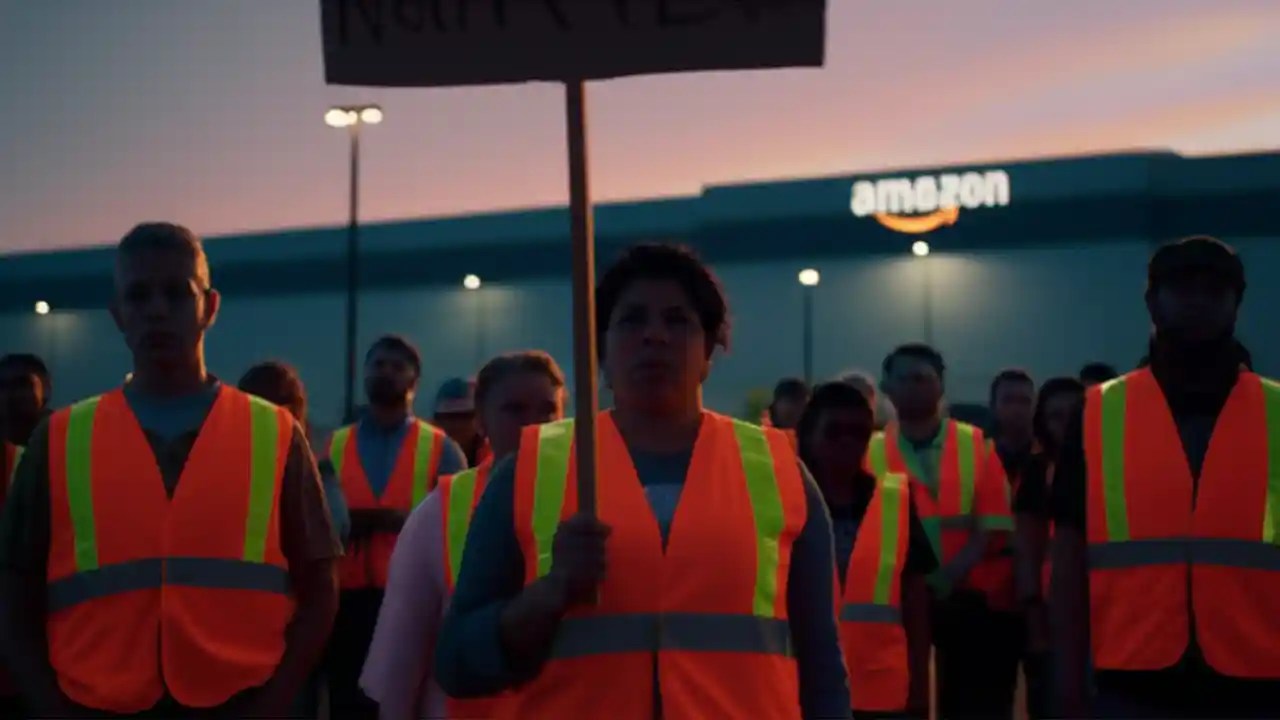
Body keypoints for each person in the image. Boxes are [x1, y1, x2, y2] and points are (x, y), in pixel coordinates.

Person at [435, 243, 849, 718]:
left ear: (709, 352)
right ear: (602, 352)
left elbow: (822, 668)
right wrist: (547, 595)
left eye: (678, 321)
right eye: (632, 320)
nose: (655, 335)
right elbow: (456, 661)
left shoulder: (779, 473)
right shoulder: (527, 472)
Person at [0, 222, 340, 718]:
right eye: (138, 296)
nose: (157, 310)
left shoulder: (275, 433)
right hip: (97, 702)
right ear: (118, 314)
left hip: (239, 700)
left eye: (177, 294)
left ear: (210, 307)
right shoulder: (58, 440)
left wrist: (275, 700)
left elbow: (321, 582)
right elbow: (14, 591)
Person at [1051, 236, 1280, 719]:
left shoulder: (1277, 412)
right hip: (1132, 684)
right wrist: (1067, 682)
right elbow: (1069, 557)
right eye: (1182, 288)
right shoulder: (1096, 413)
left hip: (1258, 684)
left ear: (1236, 305)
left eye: (1213, 290)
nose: (1197, 301)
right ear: (1152, 302)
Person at [361, 351, 567, 720]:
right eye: (515, 410)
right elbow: (400, 661)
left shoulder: (593, 497)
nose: (534, 425)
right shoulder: (439, 512)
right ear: (483, 422)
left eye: (547, 410)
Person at [868, 343, 1016, 720]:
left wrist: (948, 576)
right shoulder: (870, 452)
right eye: (903, 378)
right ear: (887, 387)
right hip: (897, 605)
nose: (914, 386)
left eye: (923, 378)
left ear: (941, 385)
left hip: (968, 603)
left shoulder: (977, 444)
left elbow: (993, 526)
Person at [325, 335, 467, 719]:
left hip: (411, 600)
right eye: (377, 364)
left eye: (396, 366)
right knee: (348, 704)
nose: (385, 372)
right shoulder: (332, 447)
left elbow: (457, 526)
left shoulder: (441, 448)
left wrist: (397, 522)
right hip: (346, 604)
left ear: (414, 382)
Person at [798, 381, 936, 718]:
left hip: (878, 694)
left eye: (858, 433)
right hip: (801, 686)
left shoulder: (894, 501)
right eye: (835, 431)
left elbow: (916, 603)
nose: (848, 442)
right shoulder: (783, 498)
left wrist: (920, 687)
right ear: (810, 434)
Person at [1012, 376, 1084, 720]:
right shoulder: (1038, 472)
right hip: (1053, 614)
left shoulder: (1114, 465)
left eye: (1074, 415)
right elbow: (1027, 553)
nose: (1066, 425)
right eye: (1056, 416)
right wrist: (1035, 622)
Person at [0, 353, 51, 487]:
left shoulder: (61, 441)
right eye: (2, 386)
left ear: (46, 390)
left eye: (21, 384)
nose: (10, 394)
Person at [433, 377, 485, 466]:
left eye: (464, 416)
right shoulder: (425, 455)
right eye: (449, 417)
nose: (457, 425)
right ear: (437, 421)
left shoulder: (494, 456)